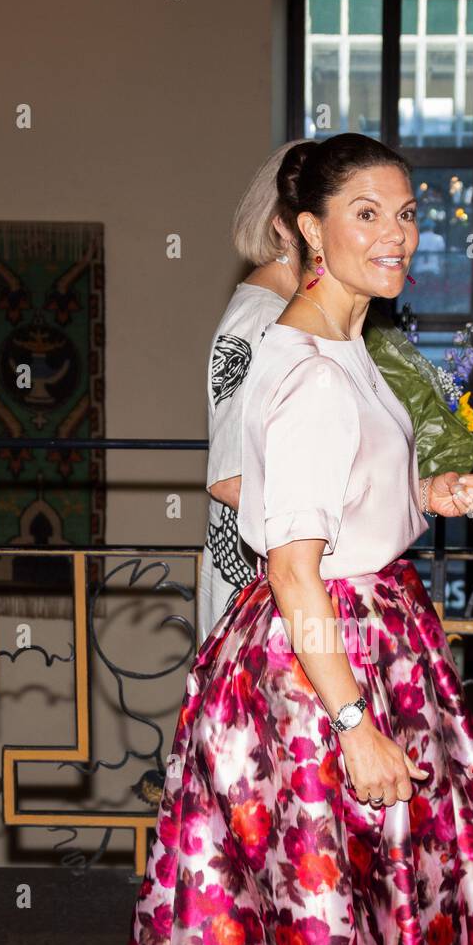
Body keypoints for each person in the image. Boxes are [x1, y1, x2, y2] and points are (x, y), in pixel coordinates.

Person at [102, 133, 473, 945]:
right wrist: (353, 717)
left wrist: (423, 497)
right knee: (310, 920)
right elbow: (295, 565)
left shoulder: (358, 344)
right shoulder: (303, 367)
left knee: (379, 913)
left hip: (374, 630)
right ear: (307, 230)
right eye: (367, 213)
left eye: (407, 213)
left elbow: (343, 498)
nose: (398, 234)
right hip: (321, 666)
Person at [198, 142, 305, 646]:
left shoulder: (298, 309)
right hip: (260, 593)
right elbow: (230, 479)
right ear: (286, 226)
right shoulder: (258, 320)